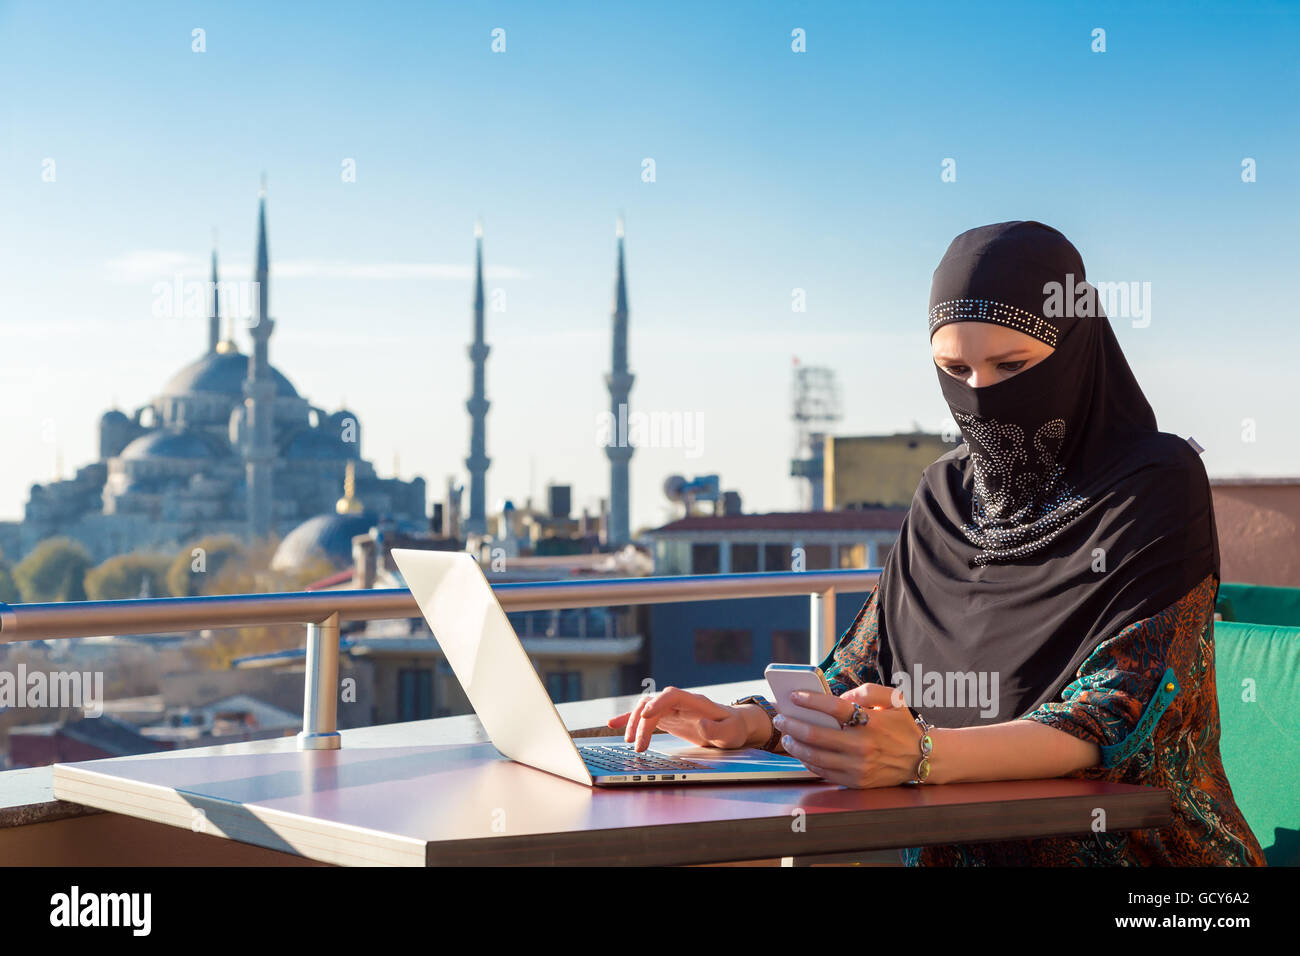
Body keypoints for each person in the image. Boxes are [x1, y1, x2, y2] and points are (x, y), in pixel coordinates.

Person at [609, 220, 1265, 866]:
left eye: (1012, 366)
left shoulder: (1154, 484)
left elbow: (1115, 712)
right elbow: (861, 674)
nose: (980, 396)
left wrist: (922, 756)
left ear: (1075, 350)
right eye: (954, 368)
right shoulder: (943, 496)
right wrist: (749, 722)